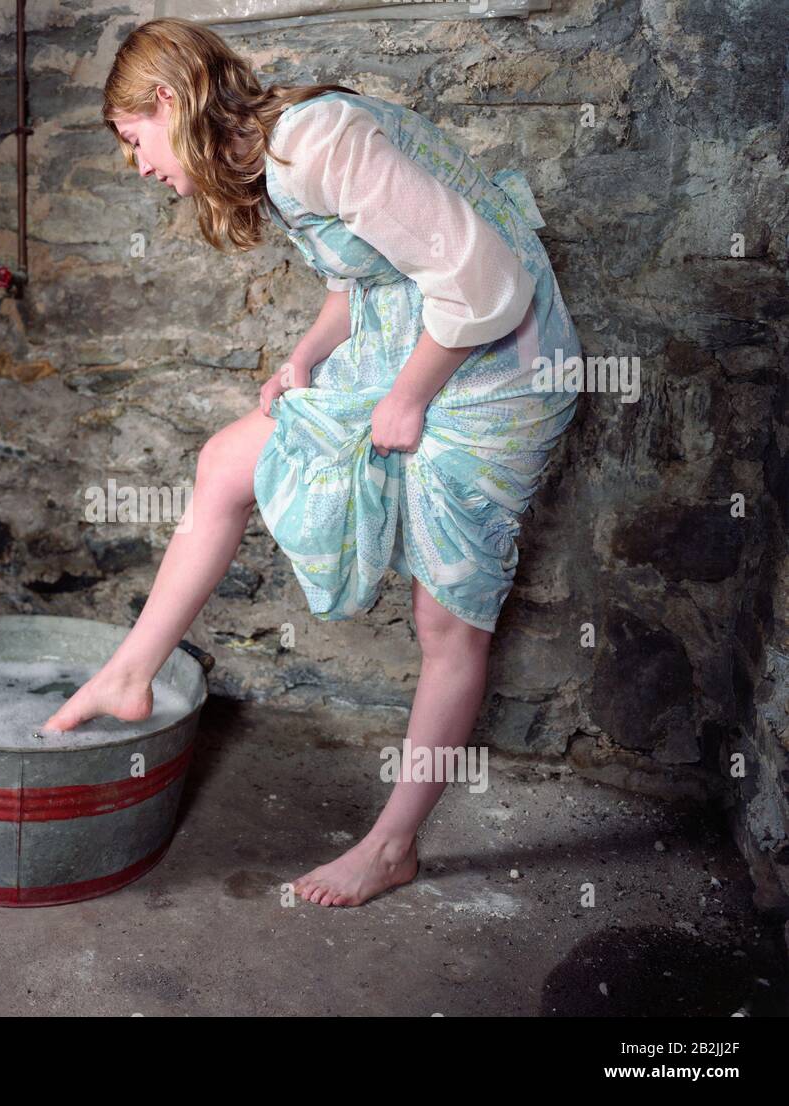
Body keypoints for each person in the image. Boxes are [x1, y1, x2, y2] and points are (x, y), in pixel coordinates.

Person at [42, 17, 580, 908]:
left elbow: (488, 280)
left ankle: (392, 846)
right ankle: (131, 671)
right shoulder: (276, 155)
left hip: (500, 371)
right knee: (224, 465)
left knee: (449, 621)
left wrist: (404, 400)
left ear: (170, 102)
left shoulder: (316, 138)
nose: (139, 168)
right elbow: (362, 273)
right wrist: (307, 354)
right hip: (417, 340)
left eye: (136, 142)